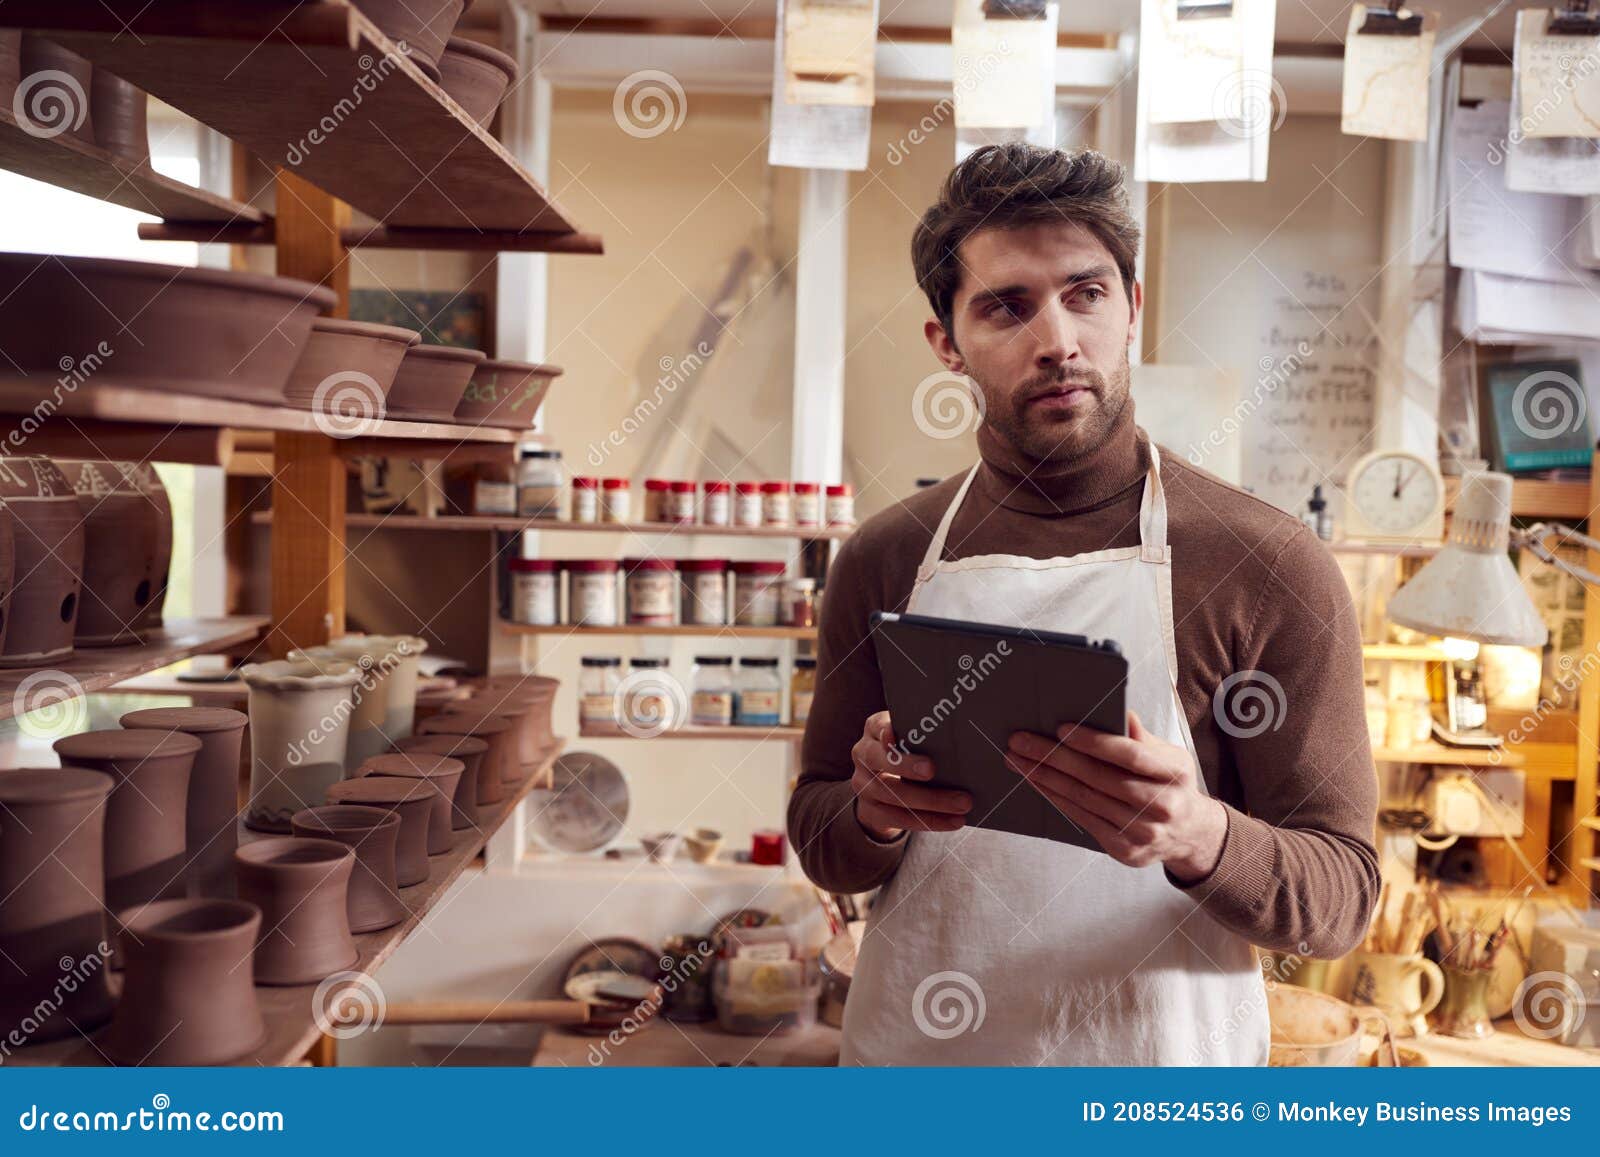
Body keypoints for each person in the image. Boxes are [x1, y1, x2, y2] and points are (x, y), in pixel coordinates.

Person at [788, 144, 1378, 1066]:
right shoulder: (885, 557)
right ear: (946, 341)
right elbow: (821, 836)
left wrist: (1201, 833)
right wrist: (872, 810)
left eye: (1087, 293)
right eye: (1006, 306)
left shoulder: (1268, 563)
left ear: (1133, 307)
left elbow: (1341, 896)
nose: (1057, 338)